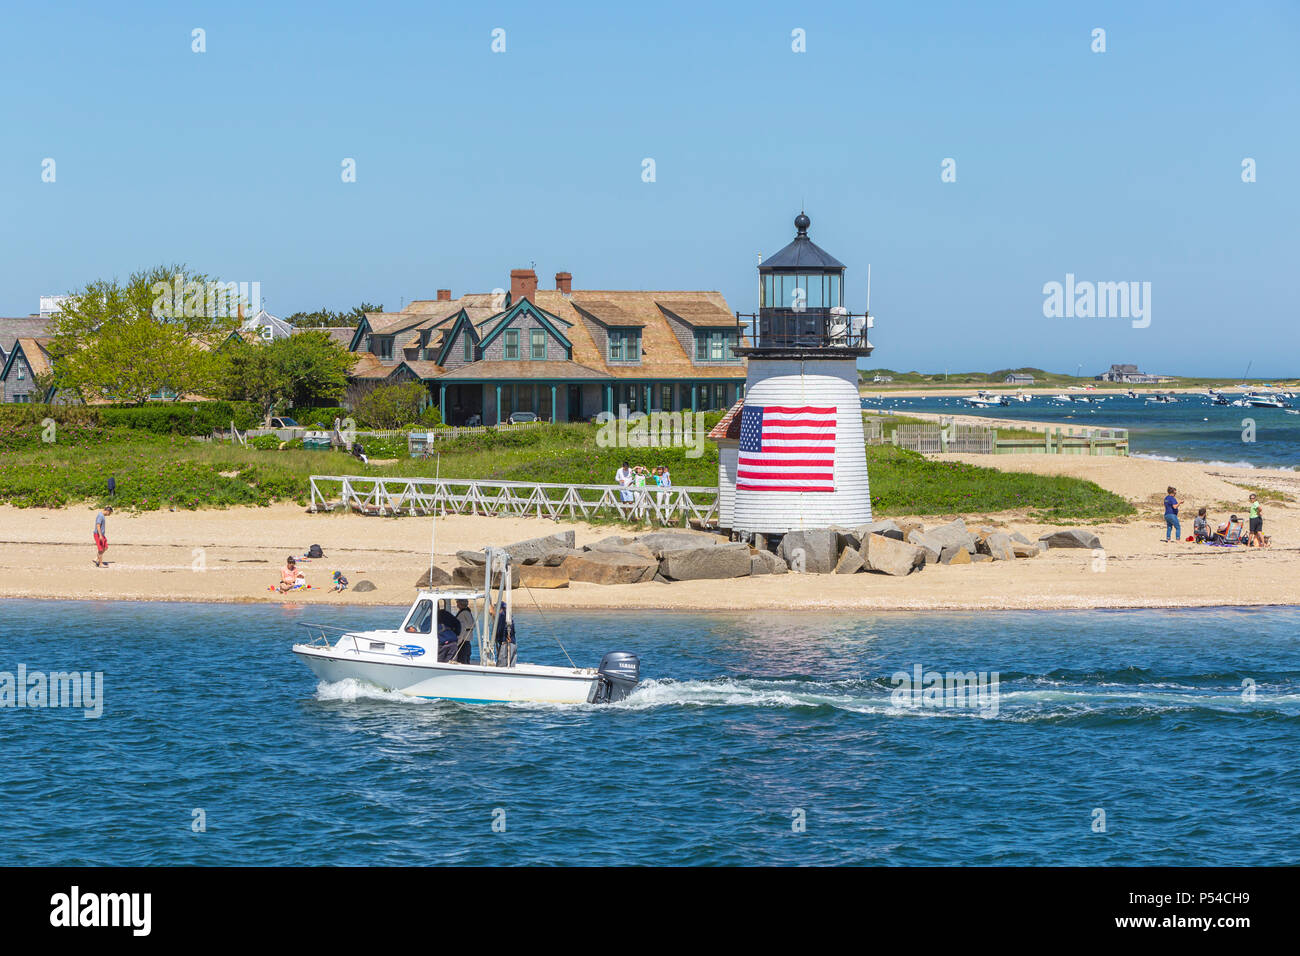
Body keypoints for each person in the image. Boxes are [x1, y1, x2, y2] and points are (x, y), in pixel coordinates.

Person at [454, 599, 475, 664]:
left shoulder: (462, 614)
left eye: (457, 602)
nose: (456, 604)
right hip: (467, 642)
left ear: (460, 604)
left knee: (462, 661)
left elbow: (462, 629)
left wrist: (457, 643)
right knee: (466, 660)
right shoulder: (468, 612)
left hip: (463, 642)